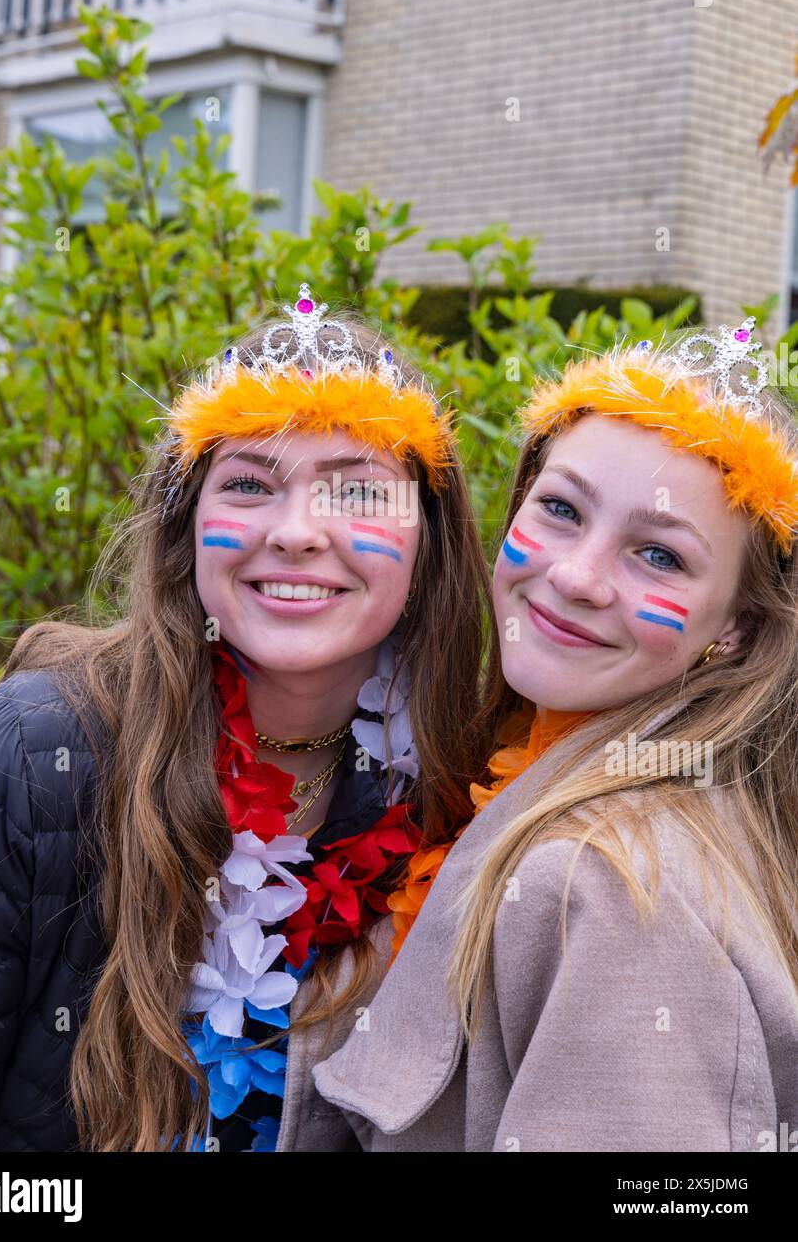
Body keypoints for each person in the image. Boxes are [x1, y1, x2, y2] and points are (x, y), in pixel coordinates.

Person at [0, 286, 493, 1151]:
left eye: (357, 494)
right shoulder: (29, 761)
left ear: (429, 542)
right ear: (186, 524)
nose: (299, 532)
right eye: (248, 485)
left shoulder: (465, 790)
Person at [314, 319, 798, 1151]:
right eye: (562, 510)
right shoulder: (531, 770)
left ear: (740, 629)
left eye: (658, 556)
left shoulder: (609, 882)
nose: (573, 576)